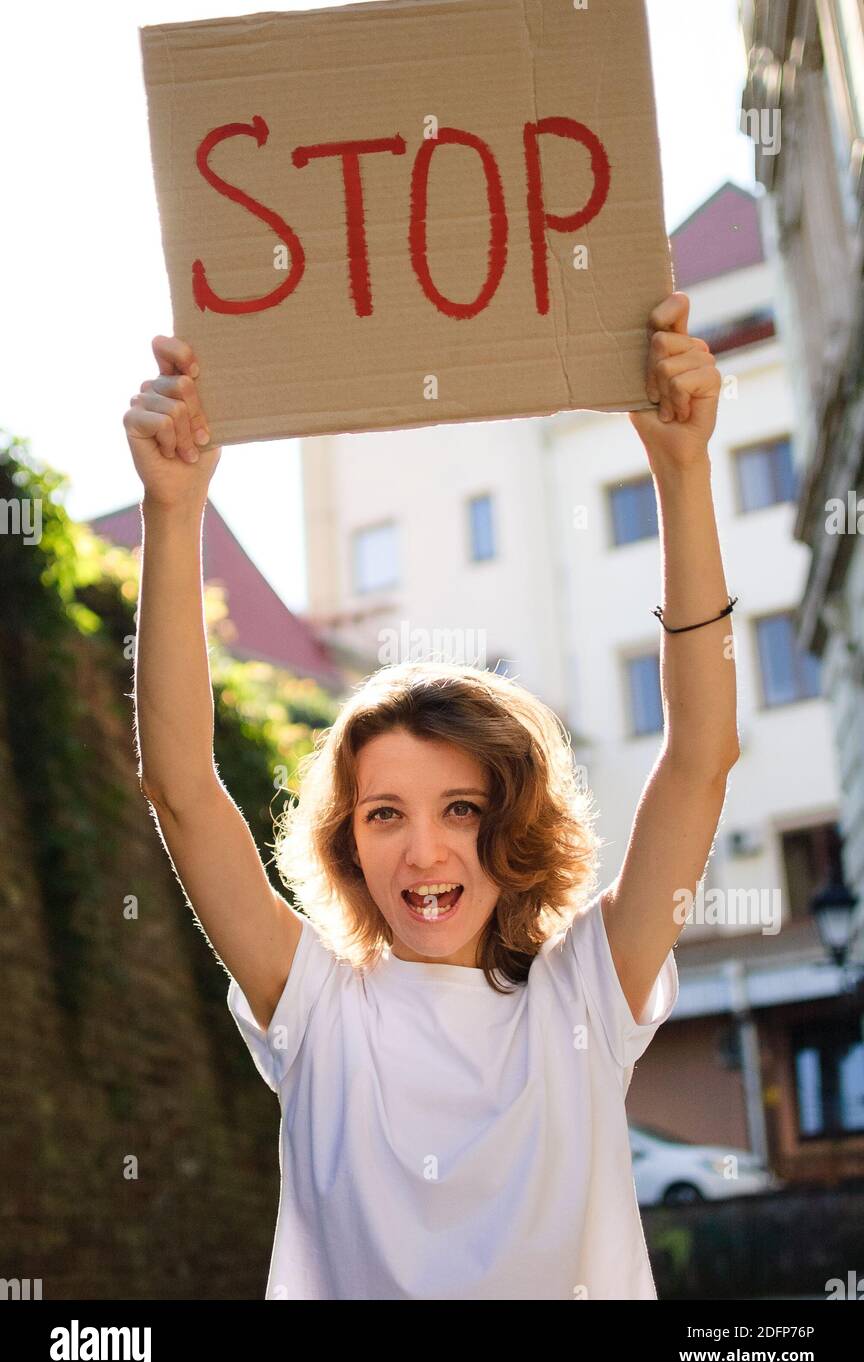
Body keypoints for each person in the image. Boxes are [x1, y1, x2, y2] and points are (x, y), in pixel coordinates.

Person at [124, 291, 738, 1300]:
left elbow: (701, 758)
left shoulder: (584, 997)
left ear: (514, 830)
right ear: (347, 844)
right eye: (384, 814)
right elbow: (182, 787)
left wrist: (682, 472)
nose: (423, 852)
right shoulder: (317, 1008)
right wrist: (172, 509)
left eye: (461, 808)